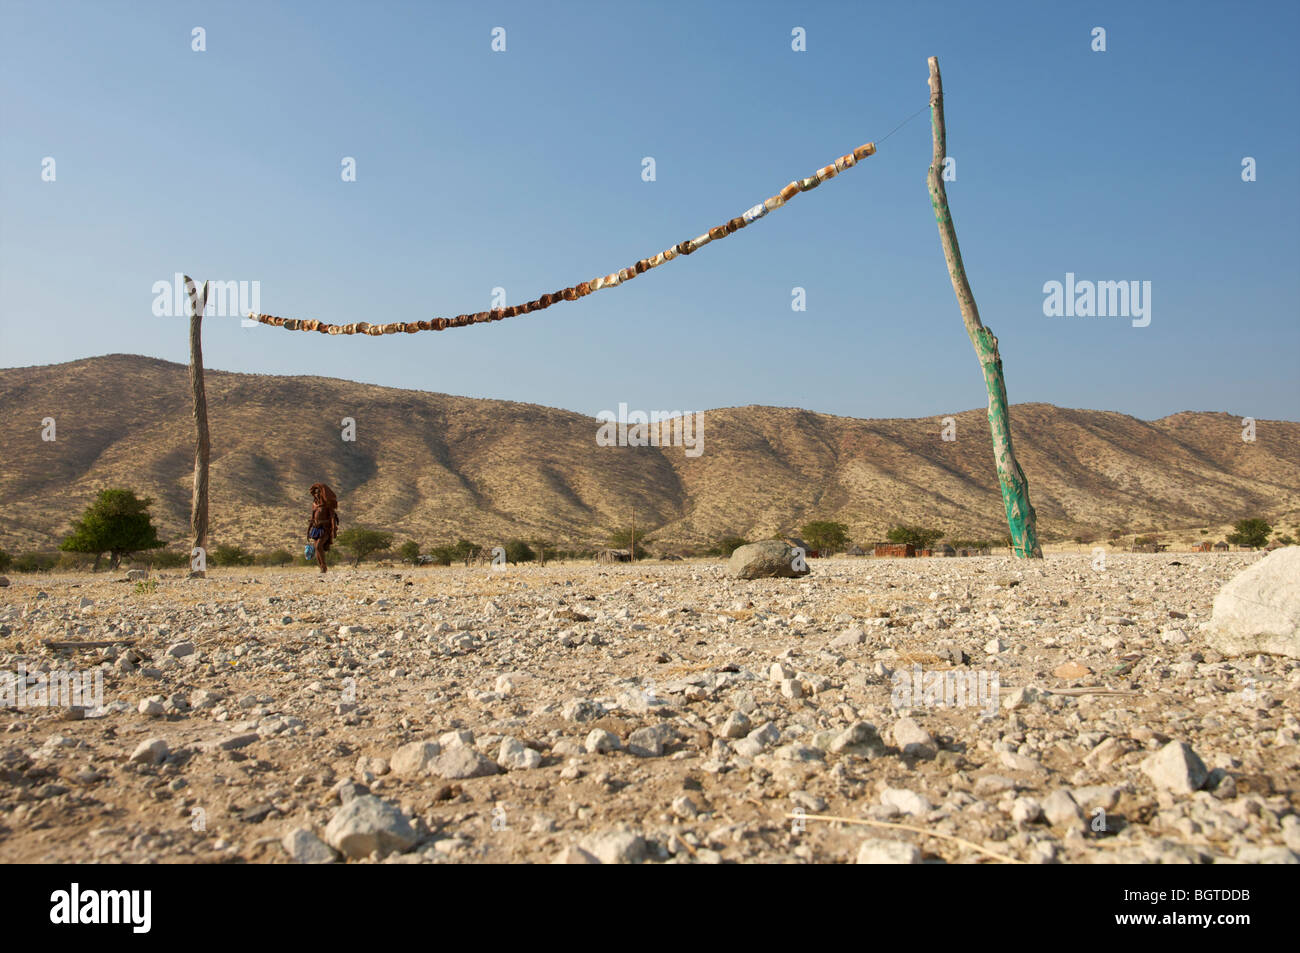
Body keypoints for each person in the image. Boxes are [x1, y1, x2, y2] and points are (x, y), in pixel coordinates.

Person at [307, 483, 339, 573]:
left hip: (325, 529)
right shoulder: (315, 505)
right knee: (316, 547)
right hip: (315, 529)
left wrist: (333, 530)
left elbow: (332, 518)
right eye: (315, 492)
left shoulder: (327, 505)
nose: (317, 494)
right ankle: (321, 566)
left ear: (322, 493)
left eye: (318, 492)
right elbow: (312, 518)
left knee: (318, 545)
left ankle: (324, 565)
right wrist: (308, 530)